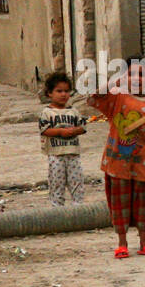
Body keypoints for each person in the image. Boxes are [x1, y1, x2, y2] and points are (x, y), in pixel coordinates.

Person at [87, 58, 145, 258]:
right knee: (120, 203)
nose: (136, 79)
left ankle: (144, 242)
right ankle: (122, 243)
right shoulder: (118, 98)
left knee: (143, 202)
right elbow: (93, 97)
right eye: (130, 74)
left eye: (141, 74)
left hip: (141, 164)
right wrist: (117, 80)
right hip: (117, 163)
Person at [37, 71, 87, 205]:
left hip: (73, 154)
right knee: (57, 185)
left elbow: (83, 127)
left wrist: (74, 130)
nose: (63, 94)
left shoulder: (73, 111)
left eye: (66, 91)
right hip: (56, 155)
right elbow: (44, 130)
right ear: (49, 93)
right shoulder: (47, 113)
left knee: (77, 184)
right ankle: (58, 212)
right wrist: (60, 132)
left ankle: (79, 211)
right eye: (59, 91)